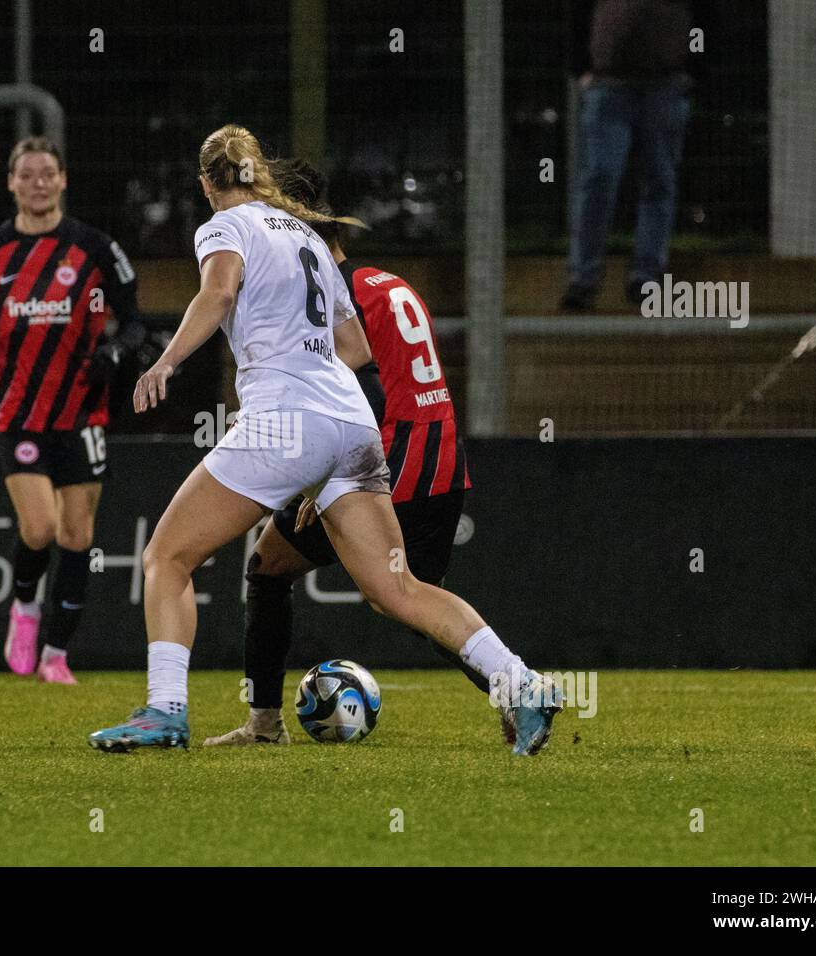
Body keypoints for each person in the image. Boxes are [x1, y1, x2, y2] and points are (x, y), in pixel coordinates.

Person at [88, 125, 561, 756]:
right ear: (260, 172)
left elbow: (219, 290)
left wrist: (166, 362)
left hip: (287, 423)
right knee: (399, 589)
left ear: (206, 184)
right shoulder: (306, 233)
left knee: (166, 559)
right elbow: (355, 349)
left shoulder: (224, 226)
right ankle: (523, 684)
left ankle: (165, 713)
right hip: (352, 423)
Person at [202, 159, 503, 747]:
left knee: (296, 577)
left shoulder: (327, 297)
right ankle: (516, 691)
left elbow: (353, 389)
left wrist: (328, 477)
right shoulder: (387, 282)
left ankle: (264, 725)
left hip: (388, 464)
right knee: (407, 598)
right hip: (441, 462)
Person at [0, 136, 146, 684]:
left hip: (83, 412)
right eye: (26, 174)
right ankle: (25, 607)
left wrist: (116, 352)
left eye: (47, 173)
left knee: (77, 536)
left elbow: (134, 322)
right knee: (39, 527)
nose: (37, 182)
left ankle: (56, 655)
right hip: (16, 409)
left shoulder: (95, 247)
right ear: (11, 182)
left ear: (63, 180)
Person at [561, 0, 695, 311]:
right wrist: (581, 68)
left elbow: (706, 16)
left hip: (664, 83)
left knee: (658, 180)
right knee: (600, 178)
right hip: (610, 83)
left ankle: (646, 276)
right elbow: (579, 14)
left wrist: (694, 68)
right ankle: (583, 278)